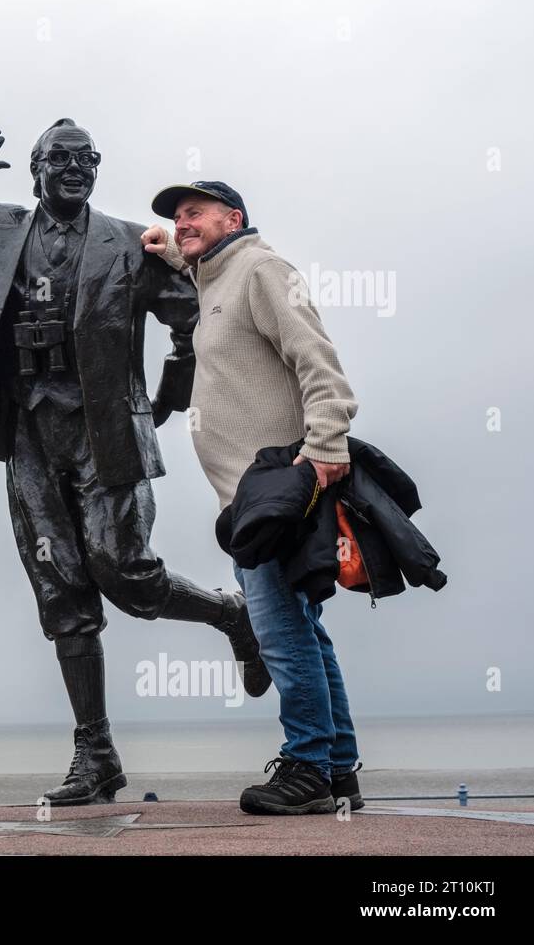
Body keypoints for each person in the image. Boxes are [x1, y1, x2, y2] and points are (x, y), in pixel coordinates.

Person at [0, 123, 270, 807]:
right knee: (61, 594)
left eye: (87, 159)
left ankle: (228, 614)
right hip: (30, 433)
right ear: (35, 168)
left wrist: (170, 394)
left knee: (124, 572)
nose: (76, 168)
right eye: (61, 158)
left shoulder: (129, 242)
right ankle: (95, 754)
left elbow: (193, 315)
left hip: (107, 434)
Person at [142, 181, 362, 814]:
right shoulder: (214, 277)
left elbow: (318, 359)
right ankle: (337, 769)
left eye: (194, 214)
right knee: (305, 631)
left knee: (279, 630)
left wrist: (326, 442)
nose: (183, 224)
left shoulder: (263, 270)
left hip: (278, 486)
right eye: (177, 217)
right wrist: (169, 250)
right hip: (249, 492)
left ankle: (308, 768)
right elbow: (200, 264)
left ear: (233, 218)